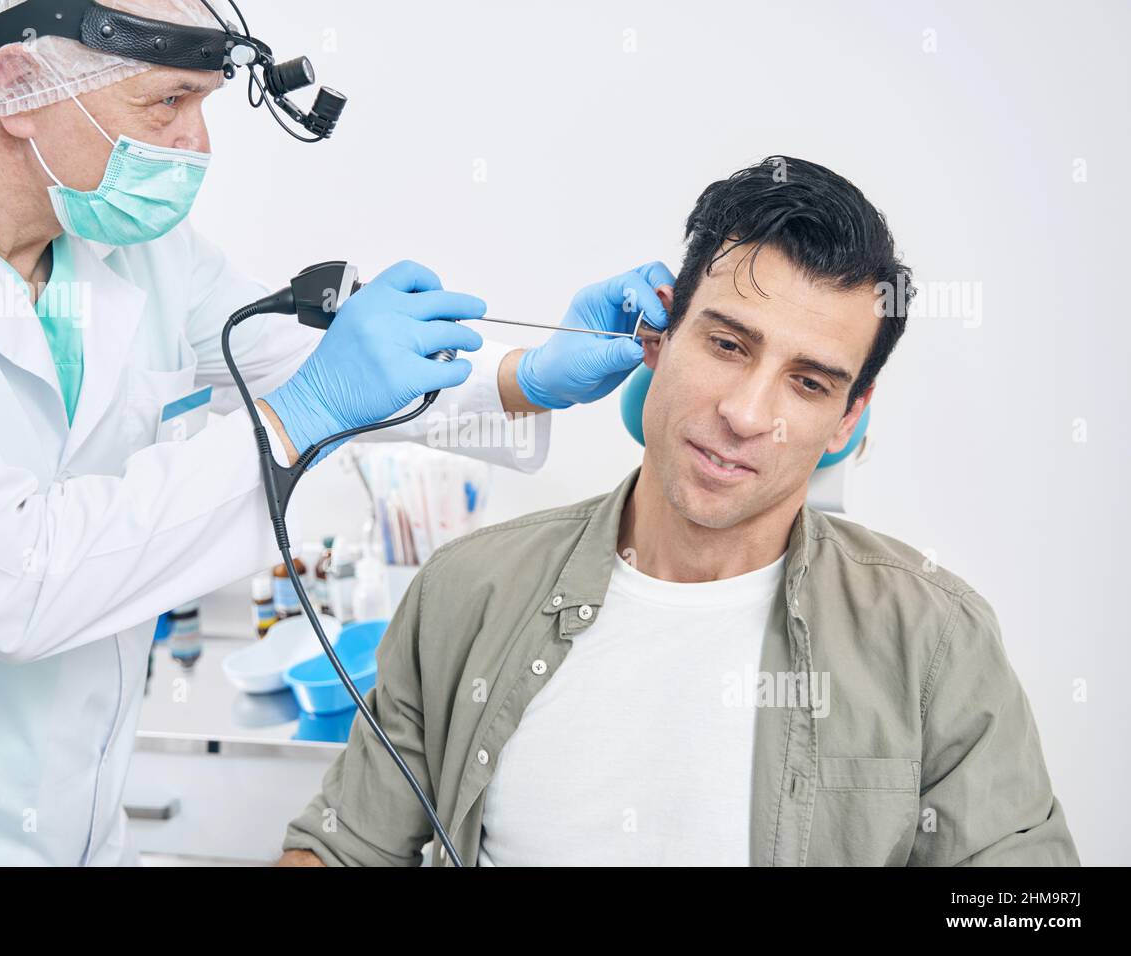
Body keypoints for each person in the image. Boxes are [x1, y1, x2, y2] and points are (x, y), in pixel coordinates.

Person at [0, 0, 672, 865]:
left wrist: (526, 377)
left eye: (204, 103)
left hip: (81, 827)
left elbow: (298, 362)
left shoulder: (121, 241)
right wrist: (298, 418)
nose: (197, 147)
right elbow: (12, 577)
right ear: (16, 83)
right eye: (167, 104)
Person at [279, 156, 1080, 866]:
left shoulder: (933, 640)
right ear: (658, 336)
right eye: (728, 345)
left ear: (848, 416)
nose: (744, 411)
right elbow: (342, 848)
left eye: (809, 382)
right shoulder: (466, 593)